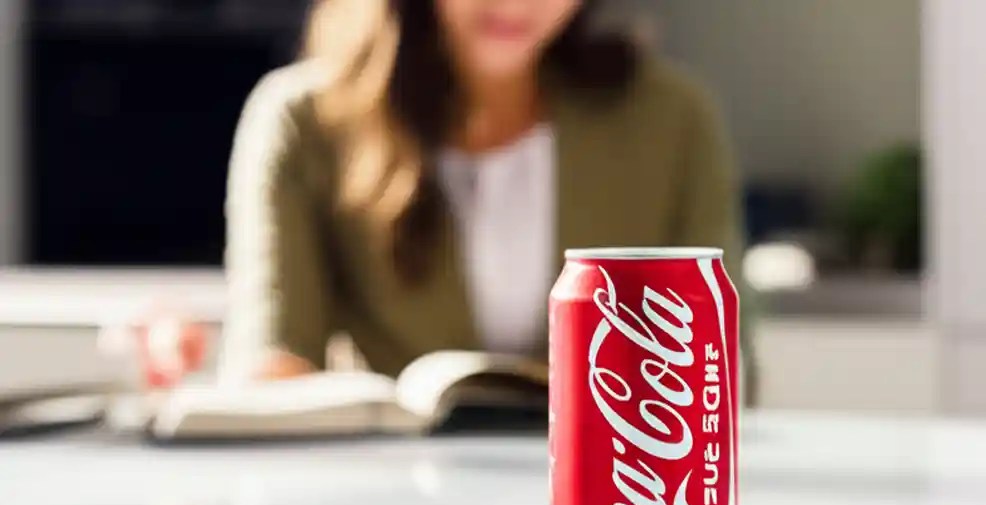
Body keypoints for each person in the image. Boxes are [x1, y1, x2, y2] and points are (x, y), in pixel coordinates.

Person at [222, 0, 752, 383]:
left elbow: (721, 372)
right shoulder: (303, 122)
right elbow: (273, 365)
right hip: (385, 500)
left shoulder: (673, 120)